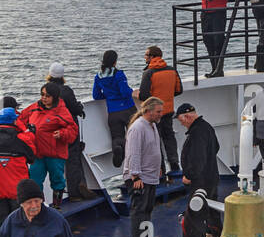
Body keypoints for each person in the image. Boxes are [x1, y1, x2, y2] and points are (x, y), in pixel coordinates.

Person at [18, 81, 78, 207]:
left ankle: (56, 206)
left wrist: (62, 134)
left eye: (47, 96)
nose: (44, 98)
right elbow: (20, 119)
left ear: (54, 97)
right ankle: (40, 208)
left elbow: (72, 130)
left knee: (57, 180)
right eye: (42, 95)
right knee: (35, 181)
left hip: (54, 153)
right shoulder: (34, 108)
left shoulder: (61, 111)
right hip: (37, 153)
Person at [0, 107, 37, 232]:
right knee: (21, 225)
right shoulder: (22, 139)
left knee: (0, 225)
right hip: (17, 190)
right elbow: (32, 157)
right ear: (15, 121)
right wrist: (28, 131)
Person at [123, 98, 165, 237]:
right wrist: (135, 176)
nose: (161, 114)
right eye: (158, 111)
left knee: (147, 209)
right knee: (139, 210)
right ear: (148, 111)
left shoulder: (152, 125)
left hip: (150, 175)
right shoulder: (138, 128)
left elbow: (153, 148)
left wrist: (158, 168)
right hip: (140, 178)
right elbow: (133, 153)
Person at [133, 46, 184, 174]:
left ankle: (160, 169)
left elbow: (144, 95)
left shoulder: (149, 73)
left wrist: (136, 95)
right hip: (168, 110)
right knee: (169, 137)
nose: (144, 57)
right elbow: (179, 90)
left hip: (154, 113)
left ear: (152, 57)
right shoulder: (172, 70)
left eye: (146, 55)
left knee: (156, 140)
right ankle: (174, 165)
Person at [46, 63, 89, 199]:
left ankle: (57, 194)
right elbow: (75, 109)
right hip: (68, 130)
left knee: (56, 162)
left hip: (53, 129)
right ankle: (75, 193)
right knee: (72, 160)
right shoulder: (66, 90)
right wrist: (80, 107)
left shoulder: (45, 91)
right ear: (62, 76)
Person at [93, 50, 135, 167]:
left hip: (113, 111)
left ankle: (117, 147)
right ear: (115, 62)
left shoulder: (98, 76)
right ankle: (132, 158)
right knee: (134, 134)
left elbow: (96, 95)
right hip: (128, 109)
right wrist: (132, 91)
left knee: (117, 137)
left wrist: (109, 97)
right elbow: (125, 92)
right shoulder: (119, 75)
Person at [177, 103, 220, 201]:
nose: (181, 124)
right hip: (211, 177)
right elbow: (216, 147)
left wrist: (189, 176)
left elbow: (198, 158)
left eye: (181, 120)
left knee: (199, 212)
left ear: (187, 117)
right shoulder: (207, 126)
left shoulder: (196, 132)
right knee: (212, 210)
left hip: (201, 182)